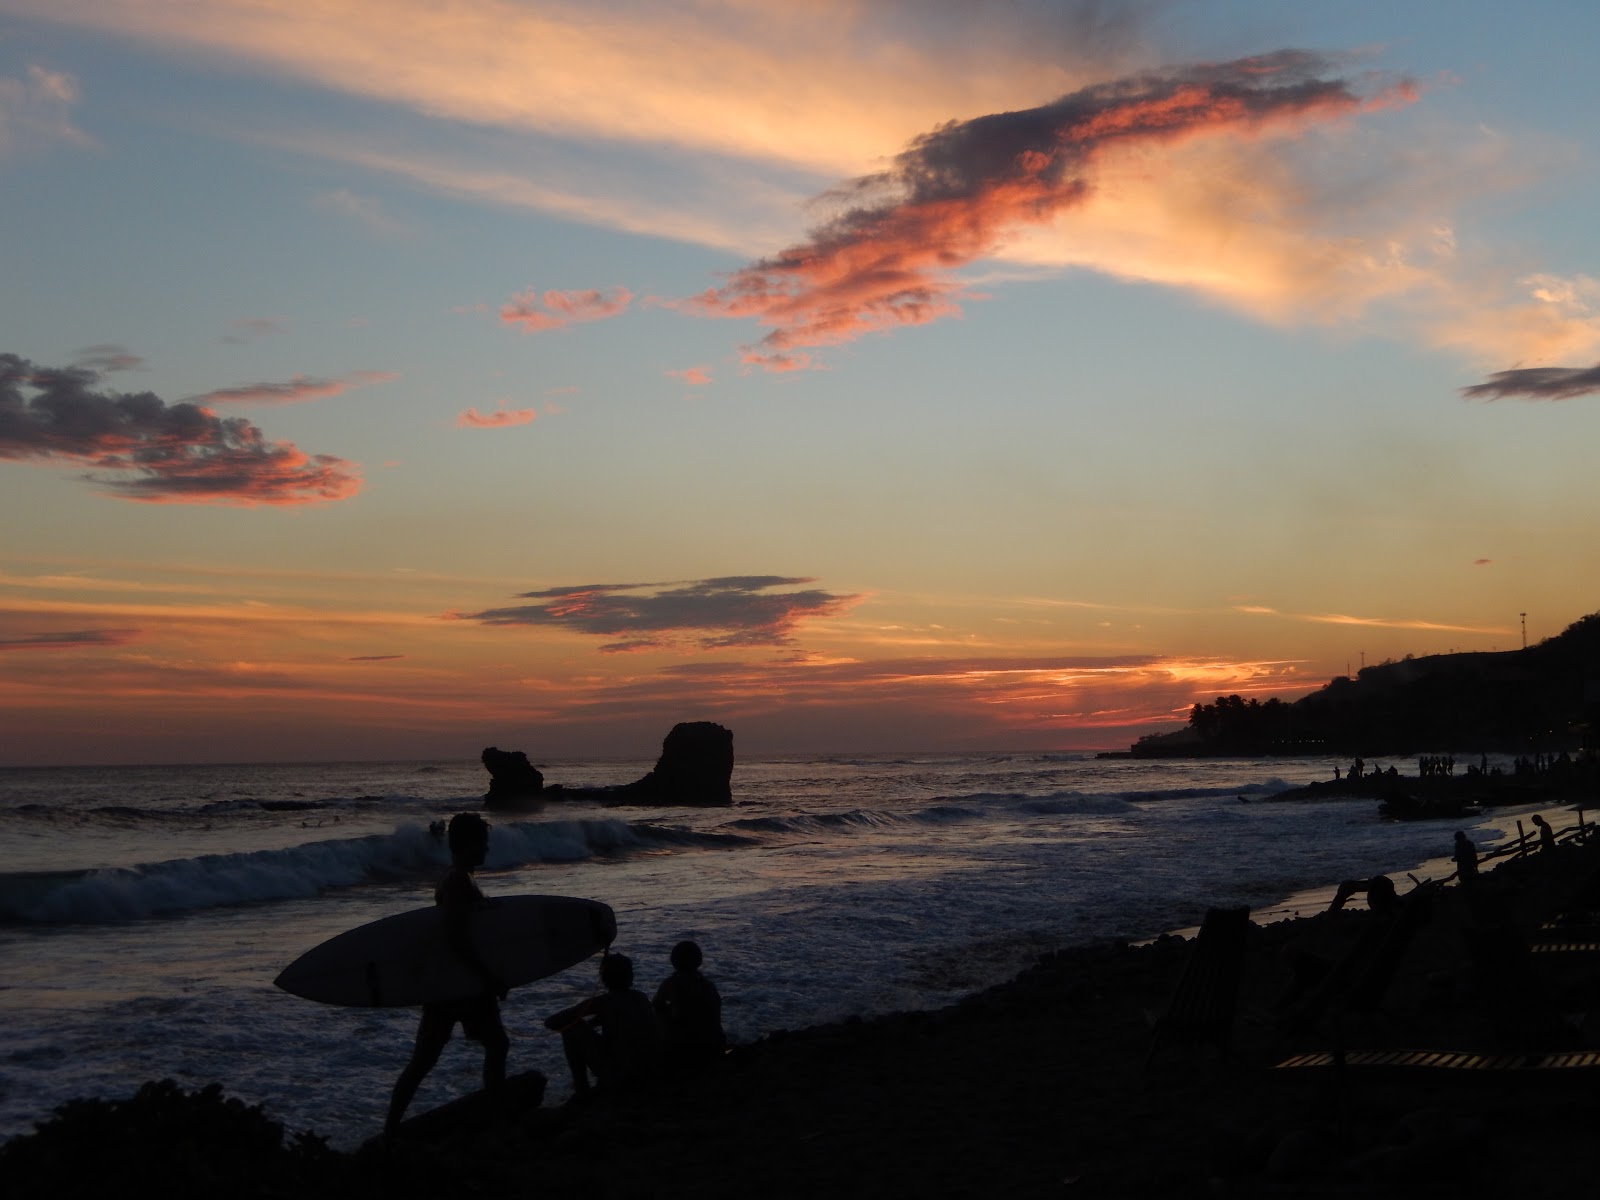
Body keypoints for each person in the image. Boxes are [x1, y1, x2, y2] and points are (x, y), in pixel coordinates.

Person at [386, 812, 509, 1136]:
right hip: (460, 985)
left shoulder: (458, 877)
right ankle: (498, 1122)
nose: (486, 849)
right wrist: (488, 977)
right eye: (482, 843)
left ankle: (391, 1130)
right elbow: (456, 938)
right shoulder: (457, 882)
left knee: (428, 1059)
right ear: (466, 844)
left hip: (451, 983)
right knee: (493, 1046)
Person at [544, 953, 660, 1097]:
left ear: (604, 977)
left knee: (571, 1027)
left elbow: (551, 1022)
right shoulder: (641, 997)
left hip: (622, 1076)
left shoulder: (603, 1002)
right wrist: (596, 1021)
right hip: (652, 1071)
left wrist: (585, 1024)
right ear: (630, 976)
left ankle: (582, 1090)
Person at [653, 940, 726, 1074]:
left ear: (673, 961)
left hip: (684, 1048)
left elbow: (656, 1006)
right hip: (714, 1045)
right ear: (699, 961)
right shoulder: (708, 985)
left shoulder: (671, 984)